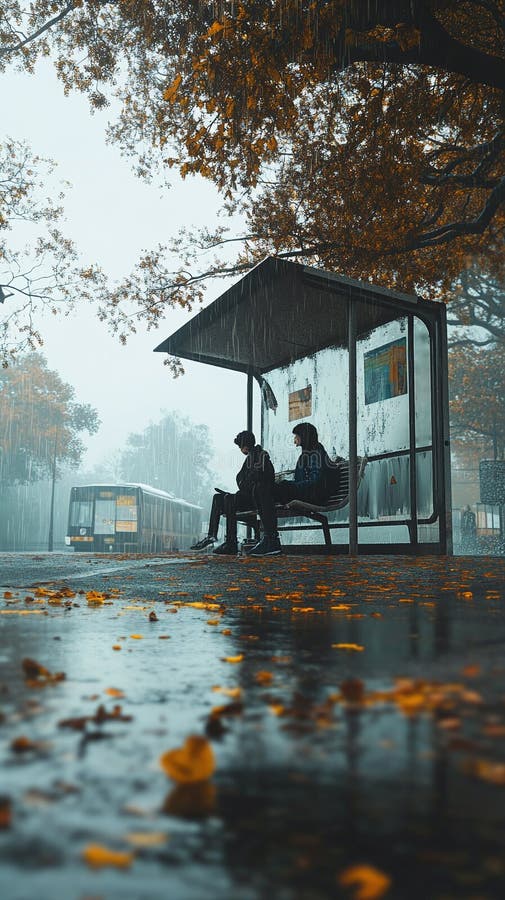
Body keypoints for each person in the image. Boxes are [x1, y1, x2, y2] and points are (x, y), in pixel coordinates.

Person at [249, 422, 338, 557]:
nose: (295, 441)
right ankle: (270, 538)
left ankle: (271, 540)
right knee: (259, 489)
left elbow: (315, 482)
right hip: (305, 492)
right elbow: (303, 480)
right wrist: (289, 486)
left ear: (304, 437)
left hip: (313, 495)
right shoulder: (308, 454)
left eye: (296, 437)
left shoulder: (316, 454)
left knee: (263, 488)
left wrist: (289, 486)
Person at [191, 430, 275, 555]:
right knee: (218, 498)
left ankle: (231, 542)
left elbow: (253, 480)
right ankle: (212, 535)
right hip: (250, 494)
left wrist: (243, 483)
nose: (241, 450)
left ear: (244, 446)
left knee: (228, 499)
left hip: (256, 498)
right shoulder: (253, 456)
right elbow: (245, 480)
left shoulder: (259, 456)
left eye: (241, 447)